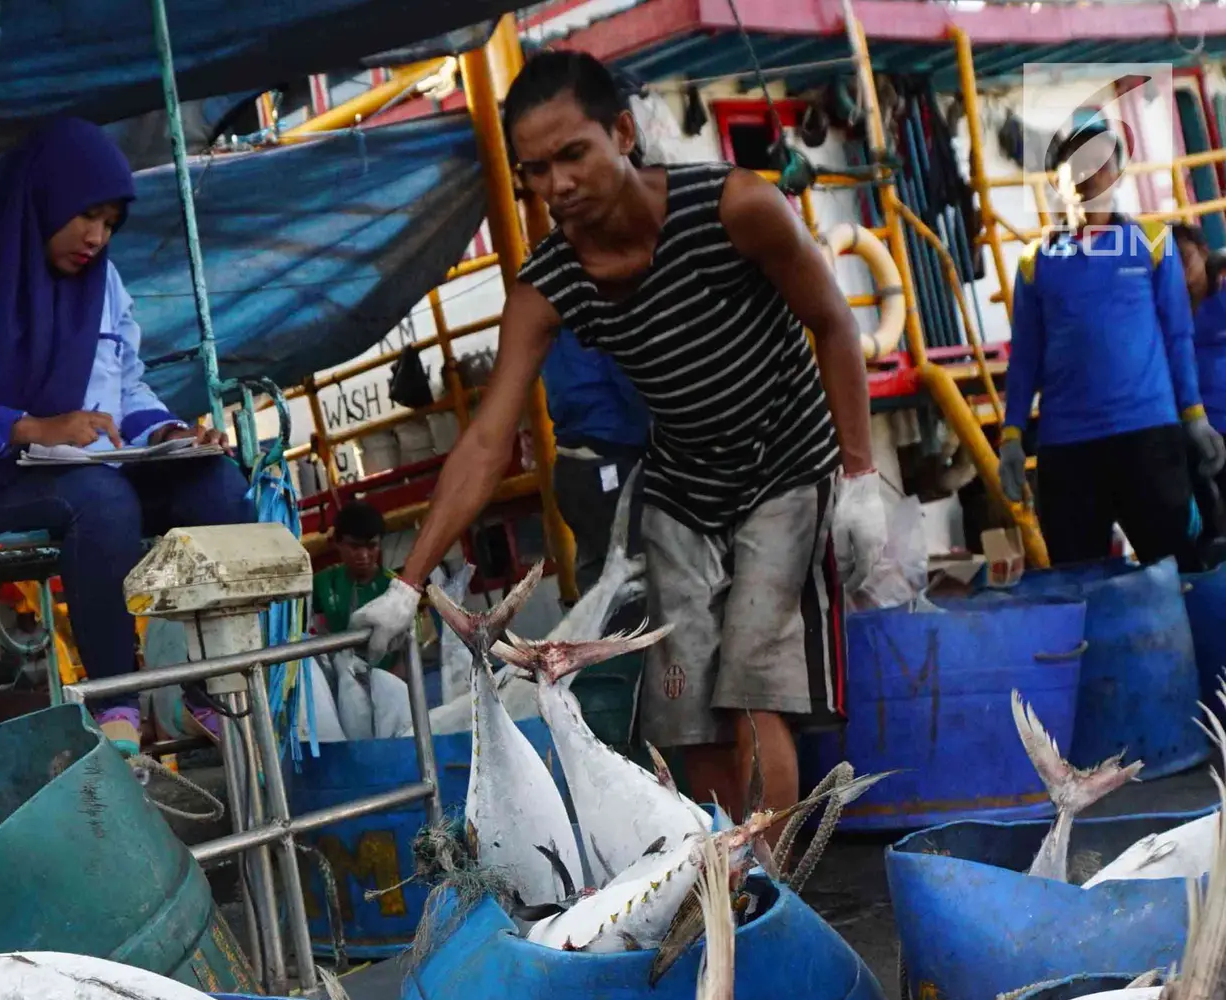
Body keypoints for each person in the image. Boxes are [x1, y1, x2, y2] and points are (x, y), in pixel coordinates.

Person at [350, 50, 885, 820]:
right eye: (535, 170)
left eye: (573, 154)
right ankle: (731, 889)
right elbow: (485, 441)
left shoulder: (736, 207)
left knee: (754, 697)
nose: (556, 184)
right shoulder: (548, 285)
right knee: (686, 713)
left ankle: (774, 895)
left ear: (624, 132)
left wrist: (860, 477)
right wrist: (407, 586)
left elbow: (834, 324)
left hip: (785, 473)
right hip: (679, 488)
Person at [0, 117, 254, 754]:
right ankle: (118, 707)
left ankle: (210, 682)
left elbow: (126, 389)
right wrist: (27, 426)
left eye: (111, 223)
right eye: (87, 215)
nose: (97, 236)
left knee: (217, 483)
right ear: (45, 198)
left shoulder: (103, 286)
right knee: (100, 499)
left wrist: (168, 431)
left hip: (84, 462)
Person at [999, 128, 1225, 573]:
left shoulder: (1155, 244)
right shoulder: (1035, 261)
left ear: (1117, 173)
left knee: (1180, 571)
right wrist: (1010, 436)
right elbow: (1024, 356)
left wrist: (1194, 418)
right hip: (1068, 449)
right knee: (1076, 579)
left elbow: (1178, 337)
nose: (1090, 174)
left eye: (1101, 164)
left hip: (1148, 437)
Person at [541, 325, 648, 595]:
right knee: (636, 581)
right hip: (611, 465)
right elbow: (634, 385)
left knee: (597, 581)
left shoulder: (551, 325)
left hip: (571, 470)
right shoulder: (602, 316)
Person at [1173, 221, 1226, 541]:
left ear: (1203, 253)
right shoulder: (1167, 309)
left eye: (1185, 259)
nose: (1180, 273)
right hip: (1194, 429)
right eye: (1171, 263)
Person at [311, 500, 390, 632]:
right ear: (337, 542)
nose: (364, 555)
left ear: (380, 543)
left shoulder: (394, 586)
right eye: (355, 546)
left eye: (371, 546)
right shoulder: (322, 584)